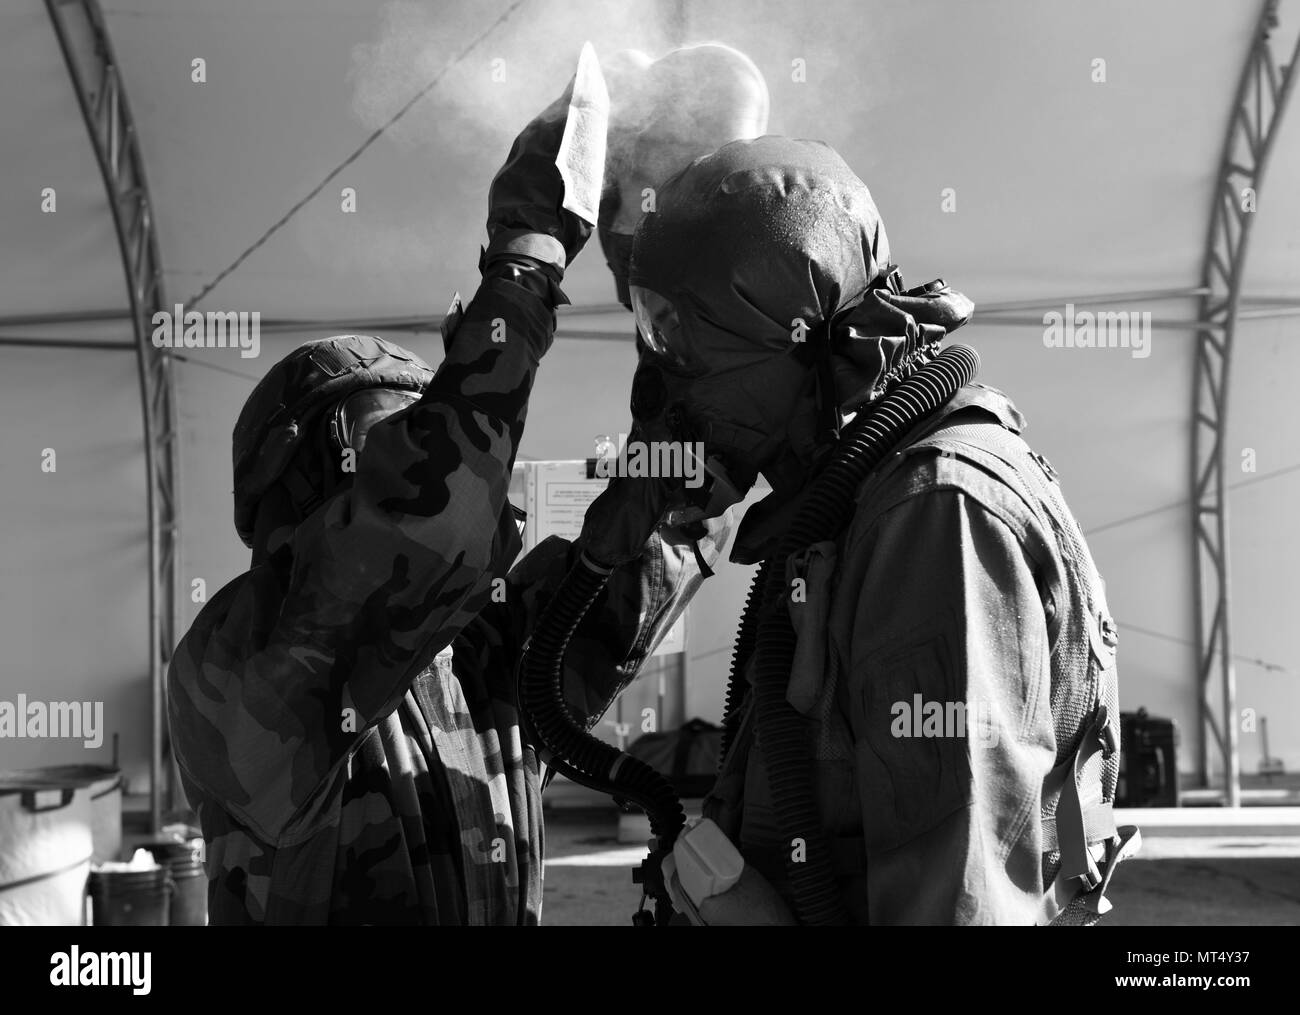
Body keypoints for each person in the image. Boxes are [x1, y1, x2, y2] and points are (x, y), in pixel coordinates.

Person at [166, 54, 728, 926]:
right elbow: (417, 531)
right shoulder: (235, 664)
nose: (433, 460)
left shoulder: (467, 659)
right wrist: (525, 264)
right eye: (397, 443)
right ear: (308, 474)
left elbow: (609, 591)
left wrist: (684, 401)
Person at [597, 134, 1138, 925]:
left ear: (789, 334)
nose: (661, 376)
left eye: (681, 336)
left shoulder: (934, 515)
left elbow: (956, 907)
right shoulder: (855, 507)